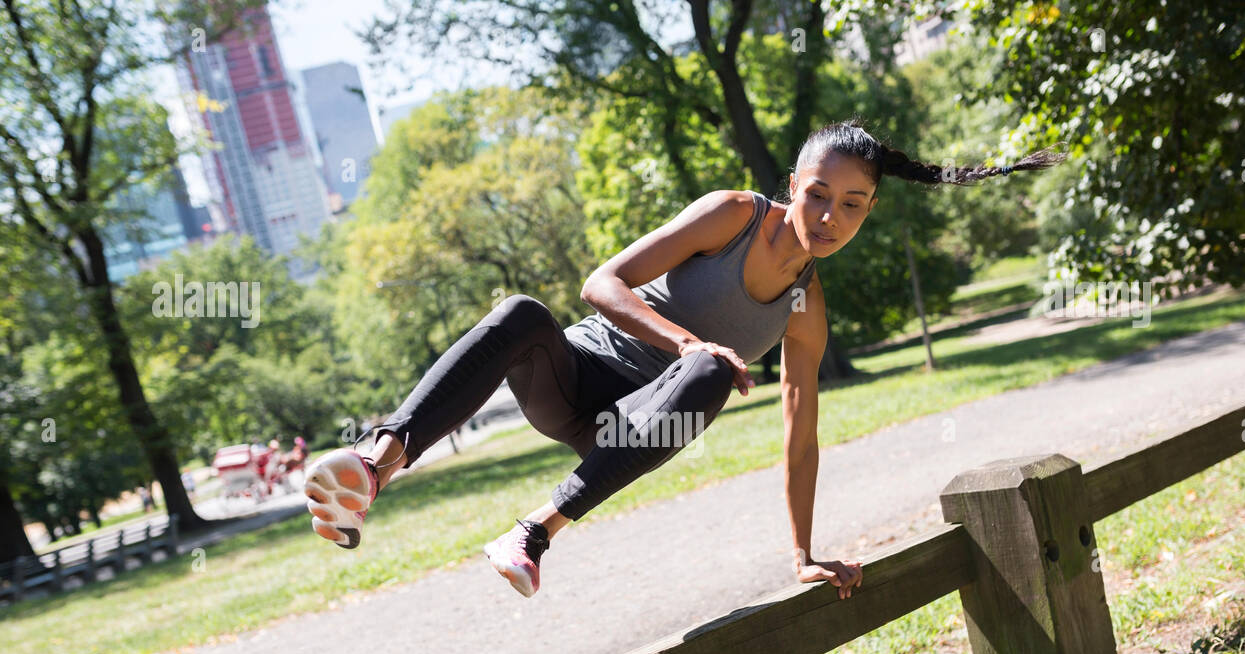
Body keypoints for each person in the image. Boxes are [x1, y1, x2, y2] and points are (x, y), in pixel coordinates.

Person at [303, 116, 1065, 598]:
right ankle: (376, 462)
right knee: (521, 315)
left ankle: (531, 535)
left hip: (635, 425)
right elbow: (600, 284)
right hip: (570, 378)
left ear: (869, 210)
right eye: (818, 195)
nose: (830, 216)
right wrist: (691, 339)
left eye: (853, 205)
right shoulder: (732, 215)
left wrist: (802, 554)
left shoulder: (808, 310)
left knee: (706, 374)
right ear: (793, 186)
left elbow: (801, 438)